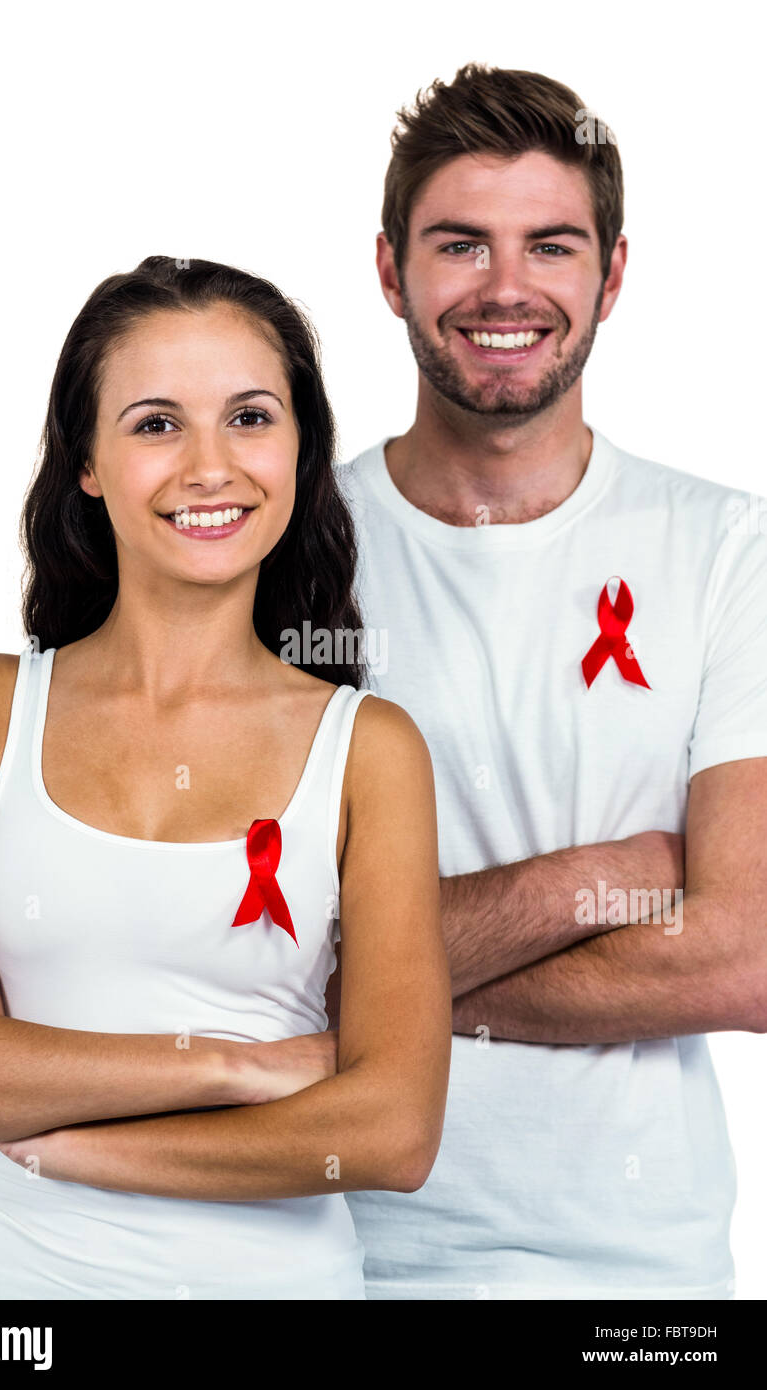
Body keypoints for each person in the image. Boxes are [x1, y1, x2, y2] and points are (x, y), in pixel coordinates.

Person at [0, 256, 451, 1301]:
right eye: (156, 424)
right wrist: (230, 1064)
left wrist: (50, 1128)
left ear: (300, 451)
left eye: (249, 418)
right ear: (87, 464)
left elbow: (391, 1129)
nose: (210, 466)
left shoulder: (368, 748)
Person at [331, 63, 767, 1300]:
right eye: (459, 244)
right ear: (388, 270)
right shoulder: (287, 553)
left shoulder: (730, 550)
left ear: (611, 275)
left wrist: (388, 986)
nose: (504, 288)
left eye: (550, 246)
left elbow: (742, 954)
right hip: (328, 1254)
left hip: (635, 1282)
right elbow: (251, 955)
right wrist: (601, 881)